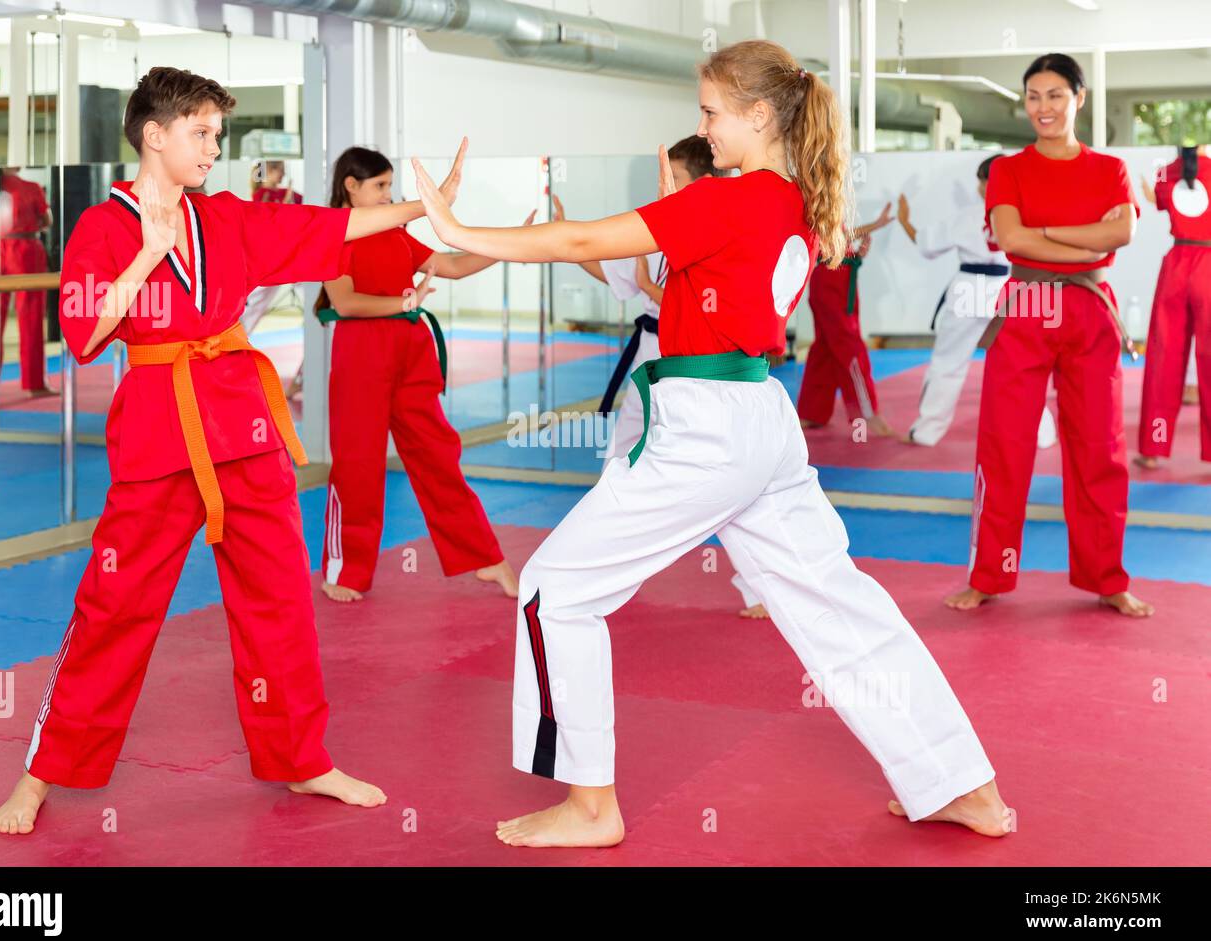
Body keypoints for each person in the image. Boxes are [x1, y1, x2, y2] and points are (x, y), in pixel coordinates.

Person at [411, 39, 1009, 849]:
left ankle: (591, 806)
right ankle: (961, 784)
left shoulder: (731, 198)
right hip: (761, 415)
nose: (704, 126)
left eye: (711, 112)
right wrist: (676, 220)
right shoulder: (794, 198)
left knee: (555, 590)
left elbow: (582, 243)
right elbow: (669, 273)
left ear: (758, 115)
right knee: (839, 602)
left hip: (706, 430)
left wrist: (455, 223)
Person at [0, 66, 469, 835]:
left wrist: (426, 208)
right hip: (158, 437)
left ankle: (302, 758)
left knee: (279, 602)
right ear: (155, 135)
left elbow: (330, 229)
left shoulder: (226, 218)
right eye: (201, 132)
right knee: (115, 609)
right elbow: (82, 334)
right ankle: (44, 772)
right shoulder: (102, 228)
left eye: (218, 132)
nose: (214, 147)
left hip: (243, 432)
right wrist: (148, 253)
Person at [946, 53, 1153, 618]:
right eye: (1034, 96)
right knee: (1005, 446)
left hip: (1090, 309)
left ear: (1078, 99)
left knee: (1100, 450)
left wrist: (1049, 233)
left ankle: (1106, 578)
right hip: (1027, 306)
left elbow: (1124, 232)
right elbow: (1013, 240)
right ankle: (989, 573)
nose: (1044, 107)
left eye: (1056, 95)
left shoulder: (1109, 167)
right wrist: (1086, 243)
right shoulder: (1010, 169)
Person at [316, 146, 521, 603]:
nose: (390, 196)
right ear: (351, 186)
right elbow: (345, 302)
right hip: (362, 353)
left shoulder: (398, 235)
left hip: (411, 351)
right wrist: (402, 305)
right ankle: (345, 569)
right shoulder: (333, 235)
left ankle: (484, 557)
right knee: (357, 463)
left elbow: (452, 265)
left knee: (437, 457)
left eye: (391, 186)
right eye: (381, 186)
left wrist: (510, 243)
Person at [553, 135, 724, 467]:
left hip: (688, 353)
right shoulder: (658, 230)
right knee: (629, 433)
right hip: (649, 346)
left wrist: (647, 285)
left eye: (674, 178)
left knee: (683, 441)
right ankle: (611, 498)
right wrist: (564, 243)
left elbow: (692, 306)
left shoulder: (715, 237)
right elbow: (610, 269)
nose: (664, 186)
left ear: (703, 184)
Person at [898, 157, 1056, 448]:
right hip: (1009, 291)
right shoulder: (1025, 215)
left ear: (986, 184)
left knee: (948, 363)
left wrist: (904, 220)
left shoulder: (967, 216)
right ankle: (1042, 434)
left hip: (968, 290)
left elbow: (925, 244)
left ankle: (926, 431)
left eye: (981, 180)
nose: (979, 187)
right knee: (1023, 366)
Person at [1134, 145, 1211, 470]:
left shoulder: (1166, 172)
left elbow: (1160, 200)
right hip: (1208, 265)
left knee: (1164, 357)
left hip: (1177, 264)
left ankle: (1153, 448)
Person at [795, 205, 896, 437]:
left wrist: (853, 254)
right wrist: (875, 225)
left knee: (825, 348)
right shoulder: (815, 190)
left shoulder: (829, 189)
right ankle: (868, 413)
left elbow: (835, 239)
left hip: (838, 276)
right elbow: (831, 238)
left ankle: (813, 412)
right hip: (830, 281)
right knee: (849, 346)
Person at [0, 168, 54, 399]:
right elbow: (47, 221)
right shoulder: (31, 188)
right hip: (26, 251)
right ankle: (33, 384)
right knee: (30, 319)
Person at [238, 159, 304, 336]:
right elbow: (266, 220)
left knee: (306, 289)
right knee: (257, 299)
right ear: (269, 171)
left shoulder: (289, 193)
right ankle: (238, 335)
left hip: (290, 252)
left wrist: (290, 202)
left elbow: (304, 210)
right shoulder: (261, 194)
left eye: (283, 170)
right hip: (269, 255)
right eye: (279, 171)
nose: (282, 175)